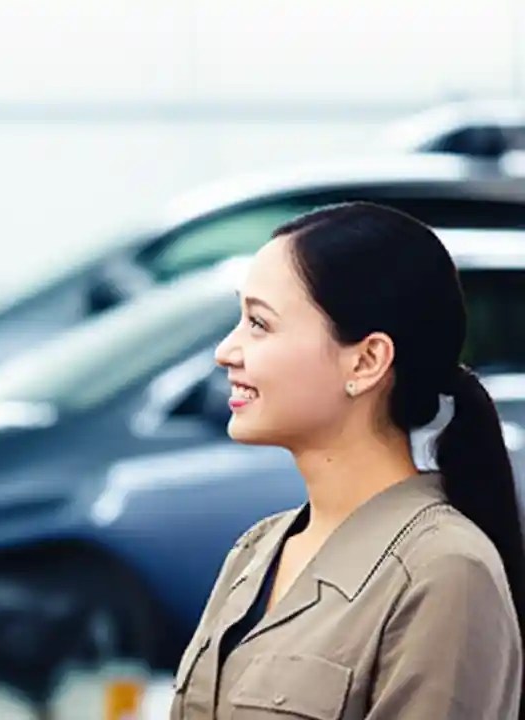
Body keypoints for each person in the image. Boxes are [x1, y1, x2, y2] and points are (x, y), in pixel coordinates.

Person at [171, 201, 525, 718]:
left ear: (366, 360)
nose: (227, 350)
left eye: (259, 324)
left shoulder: (444, 572)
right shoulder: (256, 551)